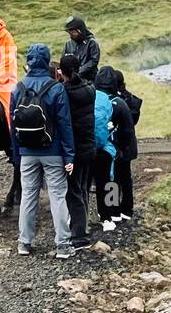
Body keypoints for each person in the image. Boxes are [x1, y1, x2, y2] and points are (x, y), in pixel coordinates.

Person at [9, 44, 75, 259]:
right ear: (47, 62)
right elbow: (64, 124)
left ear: (28, 62)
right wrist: (69, 154)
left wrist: (17, 154)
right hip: (53, 151)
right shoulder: (56, 88)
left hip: (27, 152)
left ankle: (24, 243)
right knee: (57, 196)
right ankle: (62, 245)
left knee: (28, 196)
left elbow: (12, 125)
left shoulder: (17, 88)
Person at [57, 54, 96, 248]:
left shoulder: (64, 92)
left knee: (73, 191)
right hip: (89, 146)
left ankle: (80, 235)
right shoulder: (90, 89)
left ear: (61, 71)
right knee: (82, 188)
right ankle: (83, 225)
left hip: (74, 149)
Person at [104, 68, 138, 221]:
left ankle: (113, 210)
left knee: (112, 177)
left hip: (114, 144)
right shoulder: (130, 99)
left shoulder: (113, 101)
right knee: (126, 177)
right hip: (128, 144)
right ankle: (127, 209)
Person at [92, 71, 119, 232]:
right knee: (108, 181)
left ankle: (75, 218)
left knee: (82, 184)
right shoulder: (114, 102)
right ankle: (110, 215)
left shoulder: (90, 95)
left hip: (86, 147)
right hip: (106, 149)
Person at [62, 16, 101, 83]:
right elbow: (63, 60)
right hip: (71, 80)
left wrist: (79, 72)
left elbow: (93, 61)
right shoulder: (68, 44)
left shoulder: (91, 43)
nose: (71, 35)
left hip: (89, 80)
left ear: (80, 30)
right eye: (69, 33)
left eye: (73, 32)